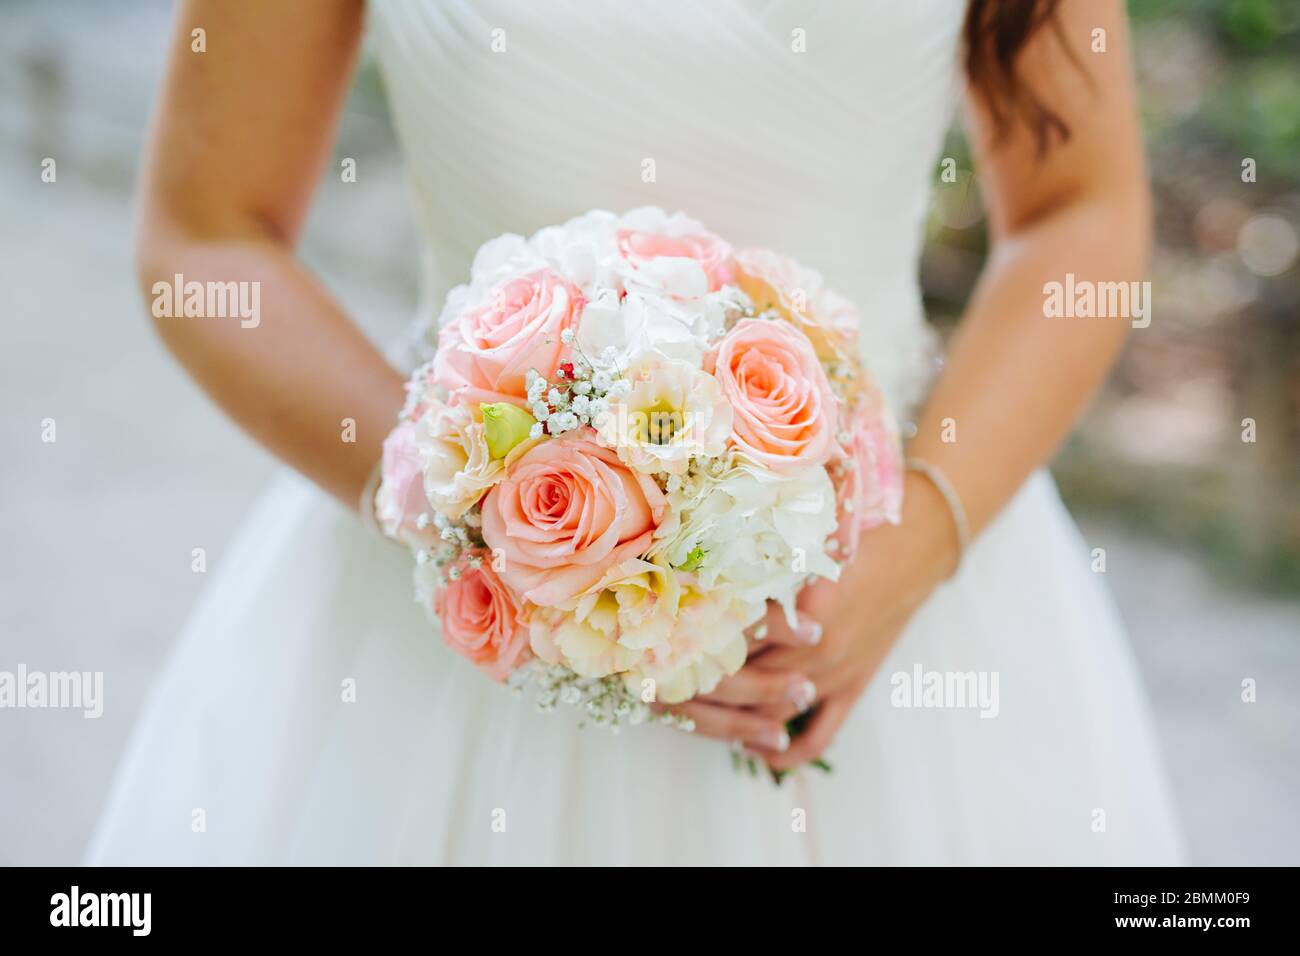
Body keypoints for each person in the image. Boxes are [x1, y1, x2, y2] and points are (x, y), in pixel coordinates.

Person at [89, 0, 1184, 864]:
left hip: (898, 602)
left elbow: (1074, 209)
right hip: (453, 618)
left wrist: (914, 548)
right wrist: (474, 520)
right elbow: (207, 238)